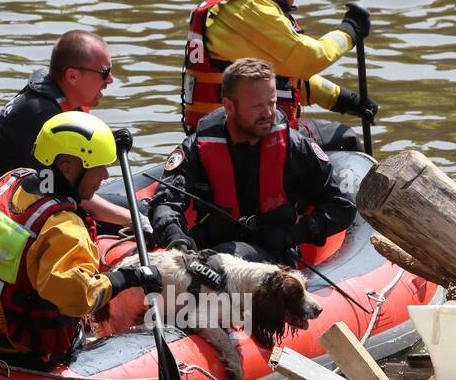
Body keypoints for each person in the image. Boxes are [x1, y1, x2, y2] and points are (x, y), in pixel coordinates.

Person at [0, 112, 161, 370]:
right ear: (67, 168)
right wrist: (130, 277)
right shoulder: (65, 228)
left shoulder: (10, 181)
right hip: (18, 349)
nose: (106, 175)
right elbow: (78, 297)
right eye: (98, 166)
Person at [180, 0, 377, 144]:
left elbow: (286, 79)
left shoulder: (233, 9)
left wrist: (343, 99)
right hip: (241, 137)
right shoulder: (253, 9)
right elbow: (309, 58)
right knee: (347, 139)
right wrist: (349, 30)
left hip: (218, 134)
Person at [151, 58, 355, 264]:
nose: (268, 113)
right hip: (209, 250)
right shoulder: (197, 147)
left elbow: (342, 207)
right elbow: (165, 202)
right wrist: (175, 238)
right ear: (229, 106)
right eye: (257, 105)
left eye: (272, 103)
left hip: (273, 256)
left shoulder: (294, 146)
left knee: (229, 258)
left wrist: (293, 235)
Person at [0, 30, 129, 229]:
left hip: (33, 197)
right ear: (72, 76)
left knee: (141, 208)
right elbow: (63, 188)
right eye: (105, 73)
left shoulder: (57, 98)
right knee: (133, 216)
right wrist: (131, 220)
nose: (110, 80)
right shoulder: (41, 115)